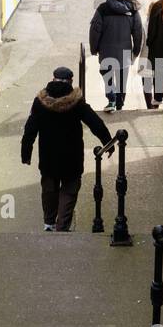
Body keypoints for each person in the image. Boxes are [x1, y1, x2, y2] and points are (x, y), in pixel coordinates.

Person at [21, 65, 113, 231]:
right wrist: (107, 142)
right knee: (69, 191)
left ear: (53, 78)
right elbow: (94, 122)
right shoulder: (76, 101)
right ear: (70, 81)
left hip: (48, 156)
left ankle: (49, 222)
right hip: (72, 157)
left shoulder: (41, 102)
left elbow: (30, 129)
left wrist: (26, 153)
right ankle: (62, 227)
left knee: (49, 188)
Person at [89, 0, 143, 111]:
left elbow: (95, 31)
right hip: (124, 51)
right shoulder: (132, 9)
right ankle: (119, 104)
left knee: (106, 74)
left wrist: (93, 48)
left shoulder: (102, 9)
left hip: (106, 51)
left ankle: (111, 98)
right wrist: (136, 50)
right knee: (122, 80)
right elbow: (137, 31)